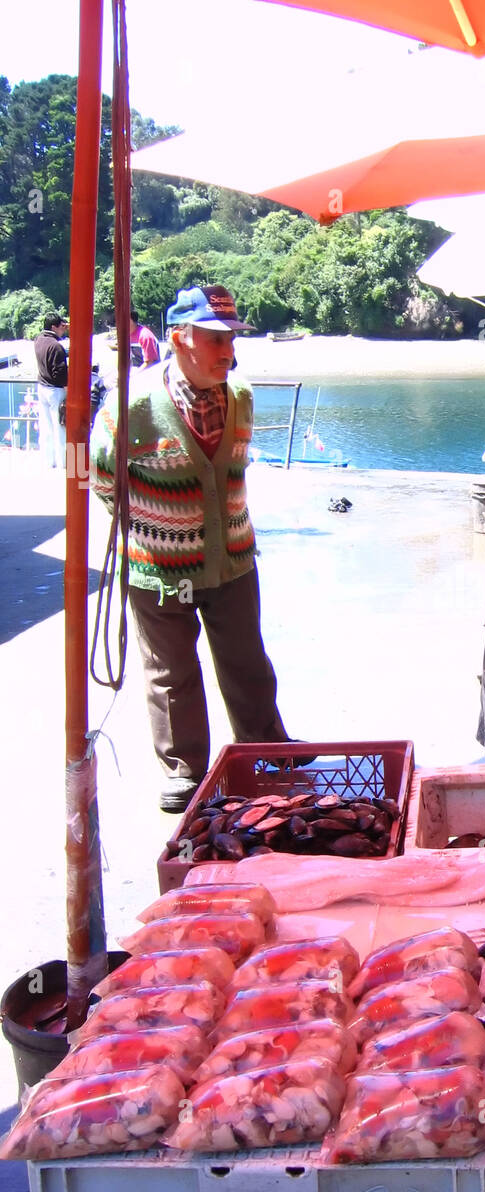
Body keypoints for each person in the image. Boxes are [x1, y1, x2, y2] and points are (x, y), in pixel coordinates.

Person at [90, 285, 295, 813]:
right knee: (171, 672)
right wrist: (148, 527)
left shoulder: (242, 397)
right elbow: (101, 475)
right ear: (180, 339)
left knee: (246, 658)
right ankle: (183, 769)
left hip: (232, 558)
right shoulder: (130, 405)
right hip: (158, 568)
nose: (230, 349)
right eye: (217, 338)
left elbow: (232, 471)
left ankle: (265, 747)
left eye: (232, 337)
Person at [33, 312, 69, 468]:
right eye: (62, 327)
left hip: (41, 387)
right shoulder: (56, 347)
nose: (64, 329)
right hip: (55, 391)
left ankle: (48, 461)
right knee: (60, 427)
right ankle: (63, 463)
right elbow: (60, 374)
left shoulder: (38, 340)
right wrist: (68, 393)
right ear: (54, 327)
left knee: (46, 427)